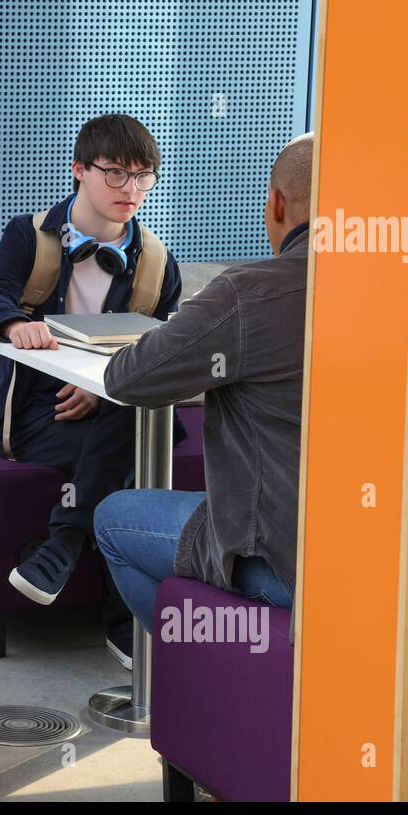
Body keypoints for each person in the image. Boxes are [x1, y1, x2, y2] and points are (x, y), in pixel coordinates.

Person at [0, 114, 181, 665]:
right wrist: (15, 324)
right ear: (79, 170)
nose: (130, 190)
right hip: (39, 412)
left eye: (143, 176)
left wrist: (103, 387)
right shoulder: (30, 236)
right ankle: (125, 623)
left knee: (130, 407)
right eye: (114, 174)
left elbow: (163, 350)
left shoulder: (157, 263)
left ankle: (60, 546)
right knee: (133, 451)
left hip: (117, 410)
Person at [93, 133, 314, 631]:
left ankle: (201, 676)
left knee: (113, 519)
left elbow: (128, 379)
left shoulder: (248, 294)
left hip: (277, 560)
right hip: (385, 565)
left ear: (275, 204)